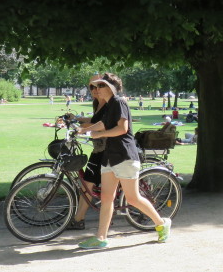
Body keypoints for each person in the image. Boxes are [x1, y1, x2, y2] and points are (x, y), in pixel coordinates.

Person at [78, 74, 170, 249]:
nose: (97, 89)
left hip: (124, 156)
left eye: (101, 86)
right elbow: (102, 124)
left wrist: (97, 134)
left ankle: (161, 223)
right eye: (96, 86)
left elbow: (122, 128)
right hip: (109, 157)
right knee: (106, 198)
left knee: (133, 198)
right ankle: (101, 238)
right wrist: (83, 130)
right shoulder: (109, 105)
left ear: (111, 88)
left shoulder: (119, 102)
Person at [68, 74, 107, 230]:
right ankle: (79, 218)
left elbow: (101, 124)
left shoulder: (110, 103)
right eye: (92, 86)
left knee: (88, 183)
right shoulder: (98, 103)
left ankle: (79, 219)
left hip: (106, 150)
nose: (95, 90)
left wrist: (82, 128)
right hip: (99, 147)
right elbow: (94, 120)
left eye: (99, 86)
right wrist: (77, 119)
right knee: (88, 183)